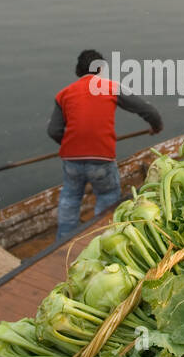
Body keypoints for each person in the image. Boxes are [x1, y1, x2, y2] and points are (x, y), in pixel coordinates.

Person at [48, 49, 162, 242]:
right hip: (101, 158)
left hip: (71, 159)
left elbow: (54, 131)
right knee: (108, 197)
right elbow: (147, 110)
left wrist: (69, 143)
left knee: (70, 198)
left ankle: (63, 241)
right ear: (100, 69)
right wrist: (156, 126)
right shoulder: (110, 87)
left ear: (78, 70)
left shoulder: (64, 94)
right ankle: (102, 239)